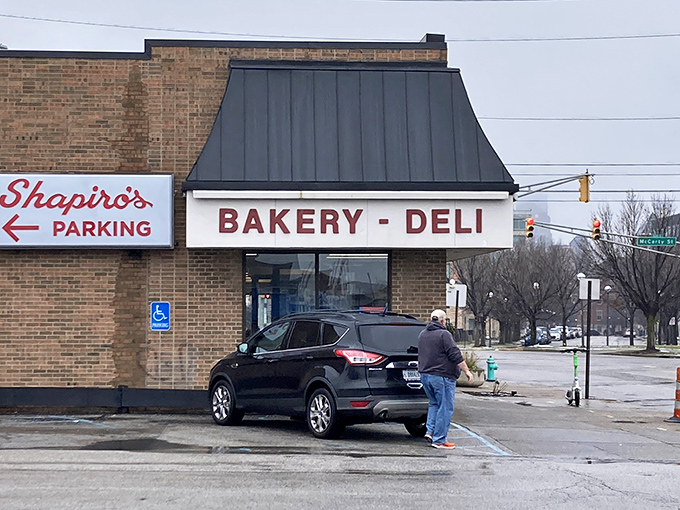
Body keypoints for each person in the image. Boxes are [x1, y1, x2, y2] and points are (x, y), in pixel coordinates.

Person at [418, 309, 473, 449]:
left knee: (434, 404)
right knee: (445, 407)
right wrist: (466, 370)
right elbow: (455, 354)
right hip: (442, 376)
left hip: (425, 375)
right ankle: (440, 440)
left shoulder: (422, 334)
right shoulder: (444, 334)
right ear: (443, 321)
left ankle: (430, 432)